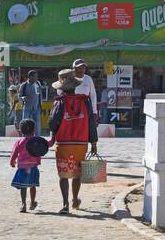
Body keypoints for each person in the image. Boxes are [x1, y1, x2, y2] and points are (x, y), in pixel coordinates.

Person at [47, 68, 98, 214]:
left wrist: (53, 133)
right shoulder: (85, 101)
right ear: (75, 85)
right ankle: (75, 199)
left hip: (63, 143)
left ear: (61, 87)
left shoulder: (59, 102)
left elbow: (52, 123)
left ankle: (65, 204)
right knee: (76, 174)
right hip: (81, 144)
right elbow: (91, 123)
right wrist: (93, 142)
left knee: (63, 175)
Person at [9, 118, 42, 212]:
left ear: (21, 130)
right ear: (34, 130)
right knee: (32, 186)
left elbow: (14, 153)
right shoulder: (36, 140)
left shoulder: (19, 141)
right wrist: (53, 138)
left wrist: (12, 162)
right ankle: (32, 202)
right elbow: (46, 145)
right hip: (33, 166)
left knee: (23, 186)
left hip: (22, 167)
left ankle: (23, 205)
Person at [71, 59, 98, 140]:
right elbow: (59, 91)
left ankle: (89, 142)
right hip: (72, 106)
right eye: (79, 67)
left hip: (86, 106)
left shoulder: (88, 79)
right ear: (74, 68)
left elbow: (93, 95)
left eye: (83, 67)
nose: (82, 69)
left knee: (88, 126)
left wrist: (94, 111)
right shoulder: (69, 78)